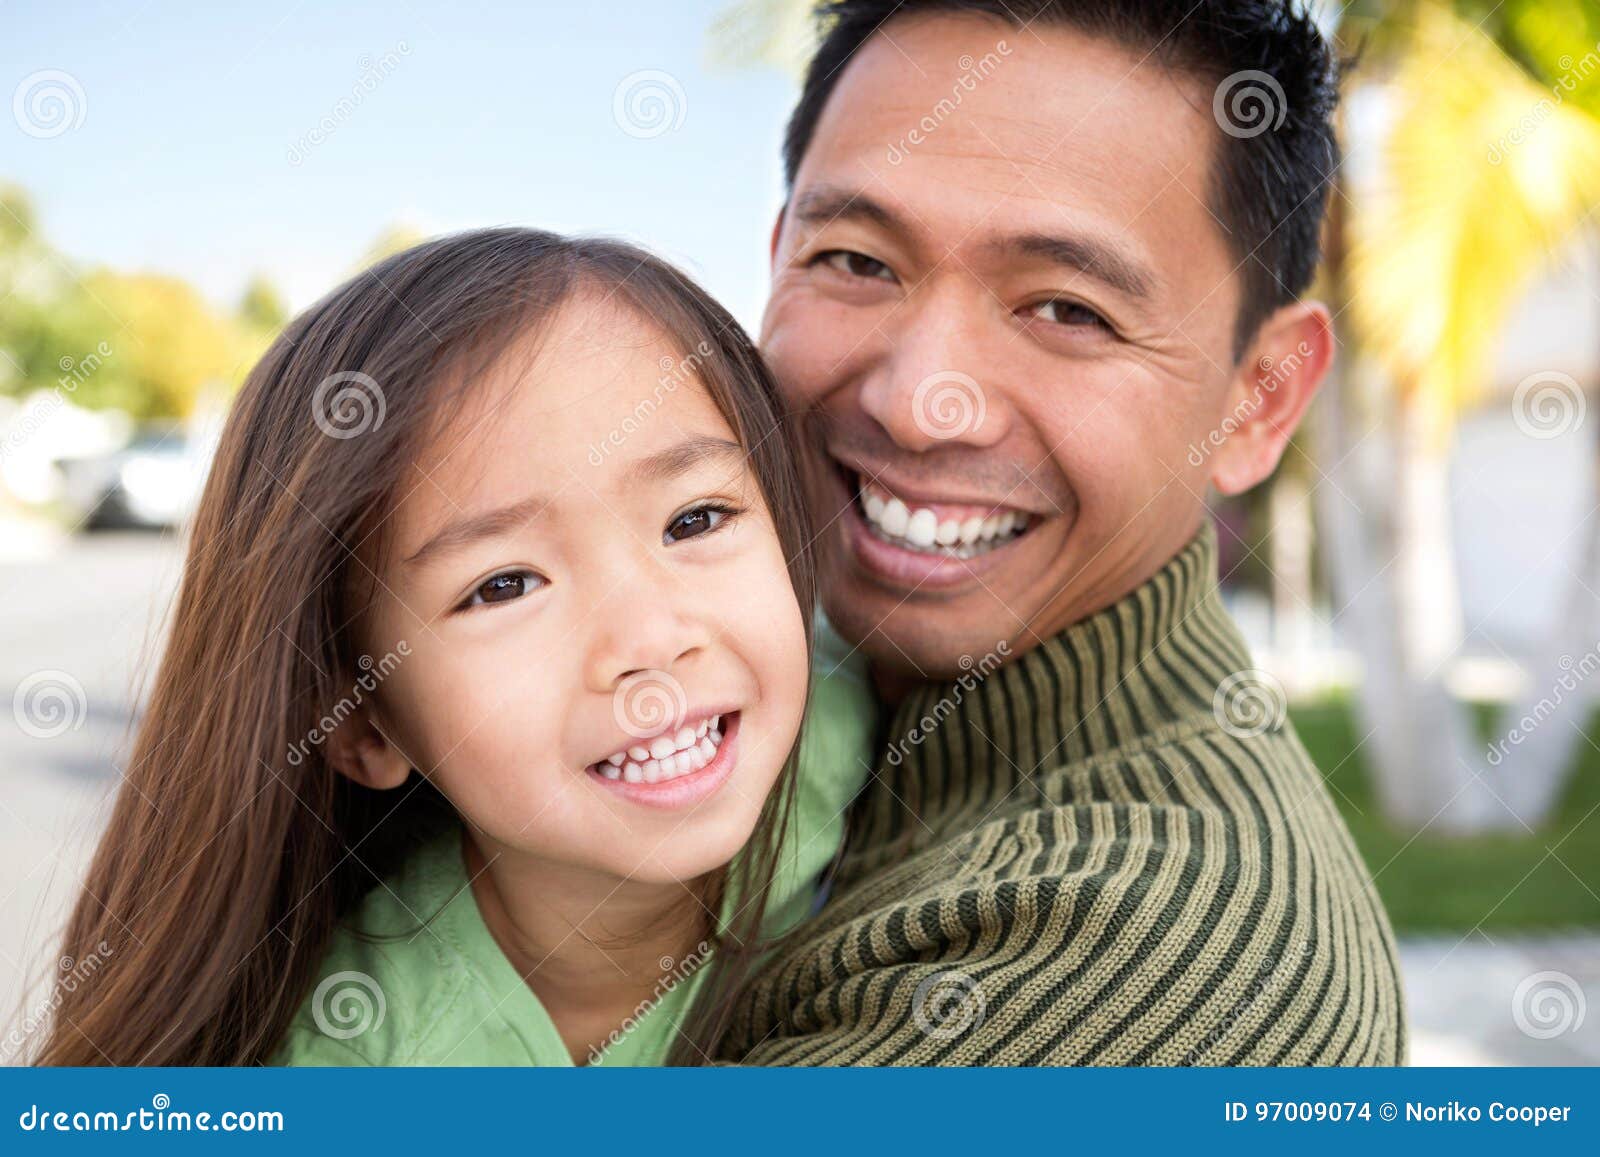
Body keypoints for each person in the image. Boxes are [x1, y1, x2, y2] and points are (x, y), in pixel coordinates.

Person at [718, 0, 1407, 1064]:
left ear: (1258, 399)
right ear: (777, 260)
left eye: (1068, 311)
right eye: (855, 261)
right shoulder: (766, 687)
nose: (920, 403)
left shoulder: (1182, 974)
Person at [36, 229, 872, 1066]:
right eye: (504, 584)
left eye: (695, 519)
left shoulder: (848, 724)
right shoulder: (356, 1052)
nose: (651, 639)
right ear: (362, 722)